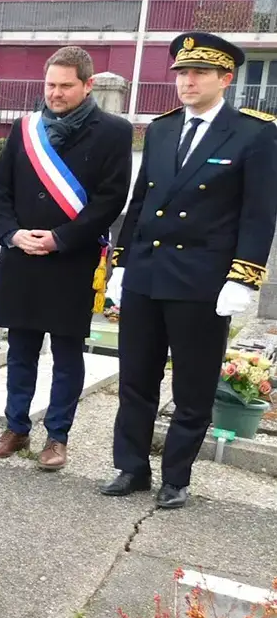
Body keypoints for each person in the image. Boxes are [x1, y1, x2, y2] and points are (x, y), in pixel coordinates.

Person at [101, 32, 277, 509]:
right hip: (146, 275)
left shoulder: (254, 132)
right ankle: (131, 467)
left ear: (226, 77)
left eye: (199, 72)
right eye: (181, 72)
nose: (187, 81)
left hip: (201, 282)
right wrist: (120, 263)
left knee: (192, 386)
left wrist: (243, 276)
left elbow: (259, 213)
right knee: (136, 378)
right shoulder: (161, 128)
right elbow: (140, 204)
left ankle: (175, 477)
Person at [0, 47, 133, 471]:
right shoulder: (25, 128)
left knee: (67, 354)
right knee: (21, 349)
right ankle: (15, 428)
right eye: (50, 84)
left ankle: (57, 436)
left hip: (71, 258)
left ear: (88, 85)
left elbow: (110, 199)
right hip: (22, 255)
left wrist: (60, 239)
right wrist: (12, 233)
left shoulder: (114, 132)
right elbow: (0, 188)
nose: (55, 93)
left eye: (65, 85)